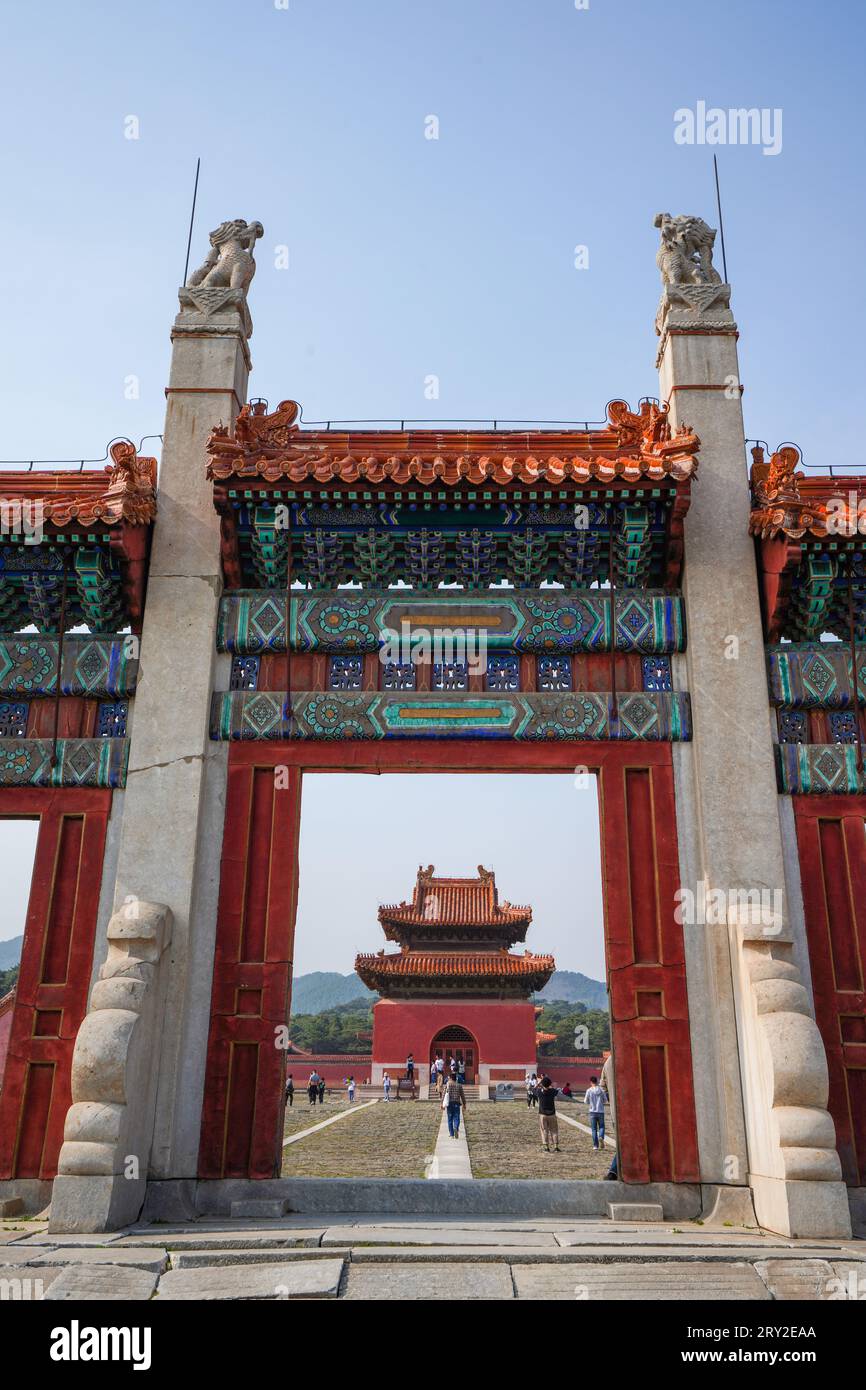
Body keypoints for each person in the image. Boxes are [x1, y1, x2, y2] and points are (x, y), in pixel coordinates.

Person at [537, 1075, 560, 1152]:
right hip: (552, 1114)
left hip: (542, 1114)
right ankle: (556, 1147)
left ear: (542, 1084)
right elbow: (556, 1090)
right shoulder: (552, 1091)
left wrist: (538, 1083)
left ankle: (546, 1147)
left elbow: (531, 1089)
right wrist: (551, 1085)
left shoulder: (539, 1091)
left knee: (544, 1130)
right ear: (549, 1084)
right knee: (554, 1130)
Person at [584, 1075, 606, 1149]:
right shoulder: (602, 1090)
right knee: (602, 1127)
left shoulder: (589, 1090)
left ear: (591, 1082)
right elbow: (605, 1100)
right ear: (597, 1081)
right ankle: (601, 1136)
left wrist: (590, 1103)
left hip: (592, 1112)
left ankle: (595, 1145)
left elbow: (585, 1101)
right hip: (601, 1111)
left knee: (594, 1129)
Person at [443, 1073, 466, 1139]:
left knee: (450, 1119)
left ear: (450, 1078)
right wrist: (464, 1104)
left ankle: (452, 1134)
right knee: (457, 1117)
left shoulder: (448, 1085)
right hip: (456, 1103)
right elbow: (462, 1095)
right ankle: (456, 1127)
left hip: (449, 1103)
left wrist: (442, 1104)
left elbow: (444, 1095)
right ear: (456, 1078)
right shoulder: (459, 1085)